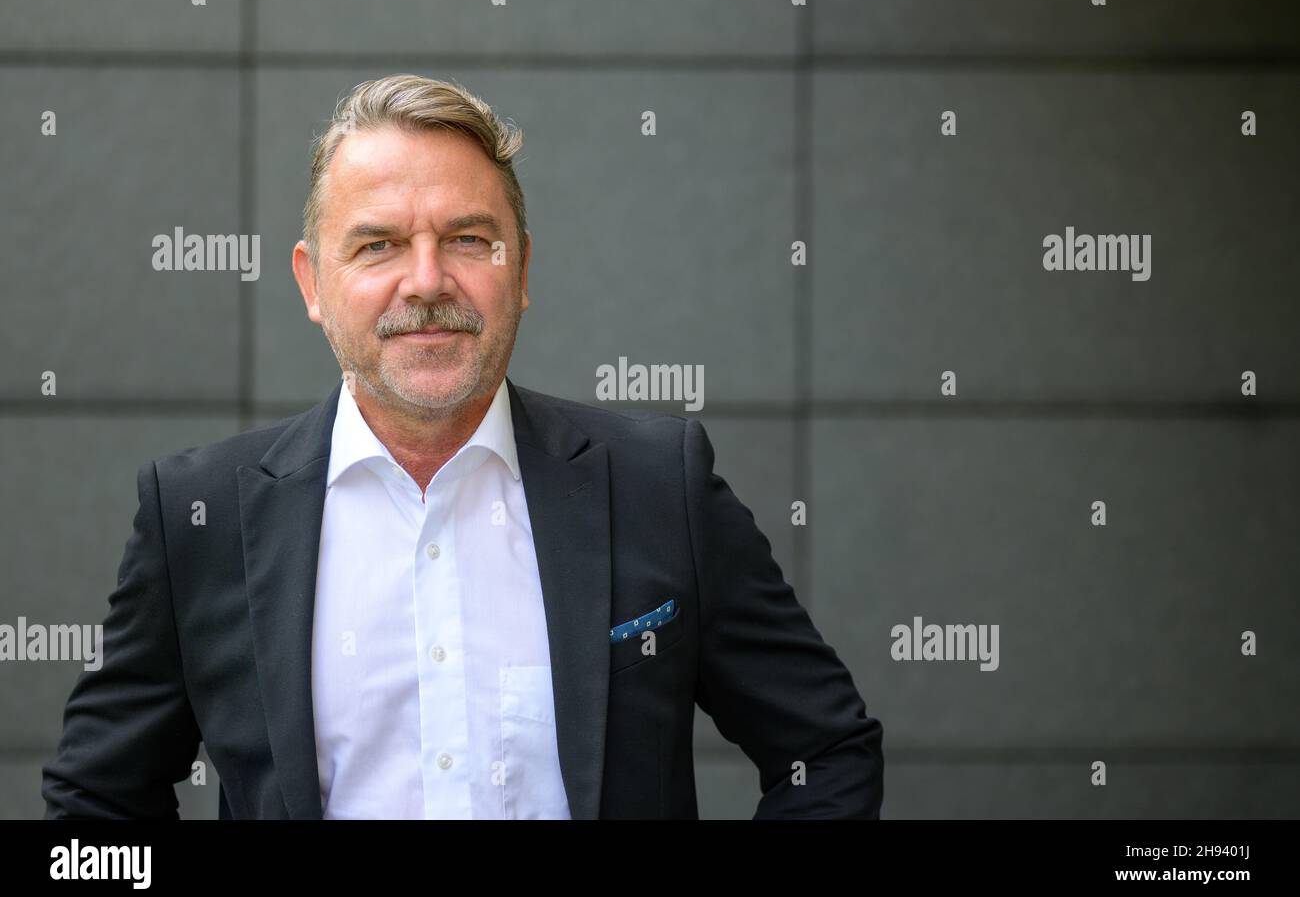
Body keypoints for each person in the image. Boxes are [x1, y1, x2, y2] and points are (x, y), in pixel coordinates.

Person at [42, 74, 883, 819]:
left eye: (468, 240)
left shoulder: (662, 486)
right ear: (311, 283)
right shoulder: (200, 517)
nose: (426, 281)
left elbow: (827, 755)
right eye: (377, 245)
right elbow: (97, 801)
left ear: (519, 273)